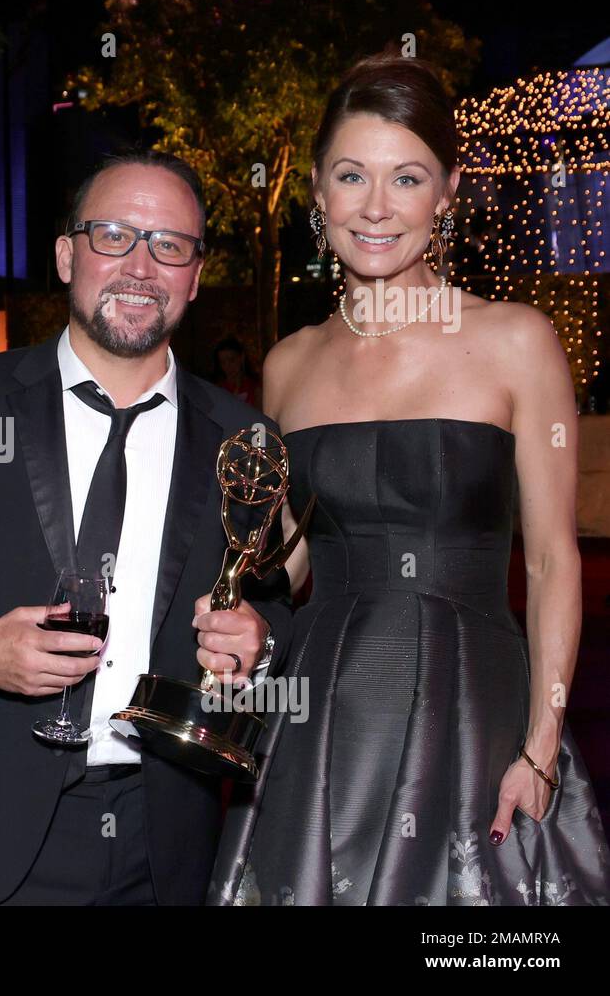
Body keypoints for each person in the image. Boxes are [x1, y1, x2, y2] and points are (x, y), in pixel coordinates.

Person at [0, 150, 293, 905]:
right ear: (64, 254)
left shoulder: (243, 440)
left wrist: (259, 642)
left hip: (170, 841)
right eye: (113, 234)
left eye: (169, 244)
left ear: (196, 274)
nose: (141, 265)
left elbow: (270, 597)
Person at [210, 53, 610, 905]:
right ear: (318, 190)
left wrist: (542, 742)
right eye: (353, 175)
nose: (378, 207)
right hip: (321, 720)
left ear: (449, 191)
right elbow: (294, 566)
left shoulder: (516, 340)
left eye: (408, 177)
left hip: (471, 715)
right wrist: (237, 595)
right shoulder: (288, 365)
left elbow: (550, 563)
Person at [211, 336, 261, 409]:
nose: (227, 366)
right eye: (223, 362)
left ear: (241, 358)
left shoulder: (255, 388)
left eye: (232, 360)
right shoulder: (218, 390)